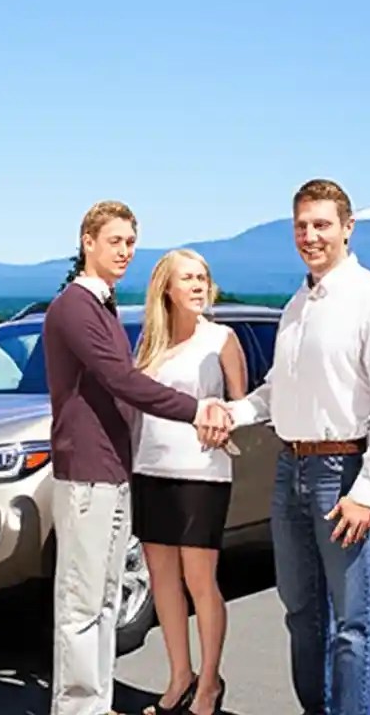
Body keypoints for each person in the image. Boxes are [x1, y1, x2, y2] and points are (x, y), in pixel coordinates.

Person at [220, 179, 370, 715]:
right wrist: (232, 413)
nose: (311, 236)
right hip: (291, 471)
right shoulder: (295, 307)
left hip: (343, 473)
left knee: (354, 622)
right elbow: (277, 391)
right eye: (302, 225)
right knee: (301, 613)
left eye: (322, 224)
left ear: (348, 228)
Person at [42, 200, 231, 715]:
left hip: (113, 472)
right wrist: (196, 410)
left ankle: (95, 704)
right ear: (88, 243)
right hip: (87, 475)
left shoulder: (103, 306)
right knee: (83, 605)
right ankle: (79, 709)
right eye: (114, 241)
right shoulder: (75, 307)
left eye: (130, 242)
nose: (124, 251)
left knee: (104, 602)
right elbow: (123, 382)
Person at [130, 249, 247, 715]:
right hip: (150, 470)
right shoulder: (149, 345)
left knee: (200, 581)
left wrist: (225, 419)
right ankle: (180, 675)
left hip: (202, 474)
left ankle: (209, 683)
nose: (198, 286)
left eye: (203, 278)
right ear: (167, 289)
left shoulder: (222, 339)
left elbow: (241, 405)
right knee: (162, 579)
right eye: (188, 279)